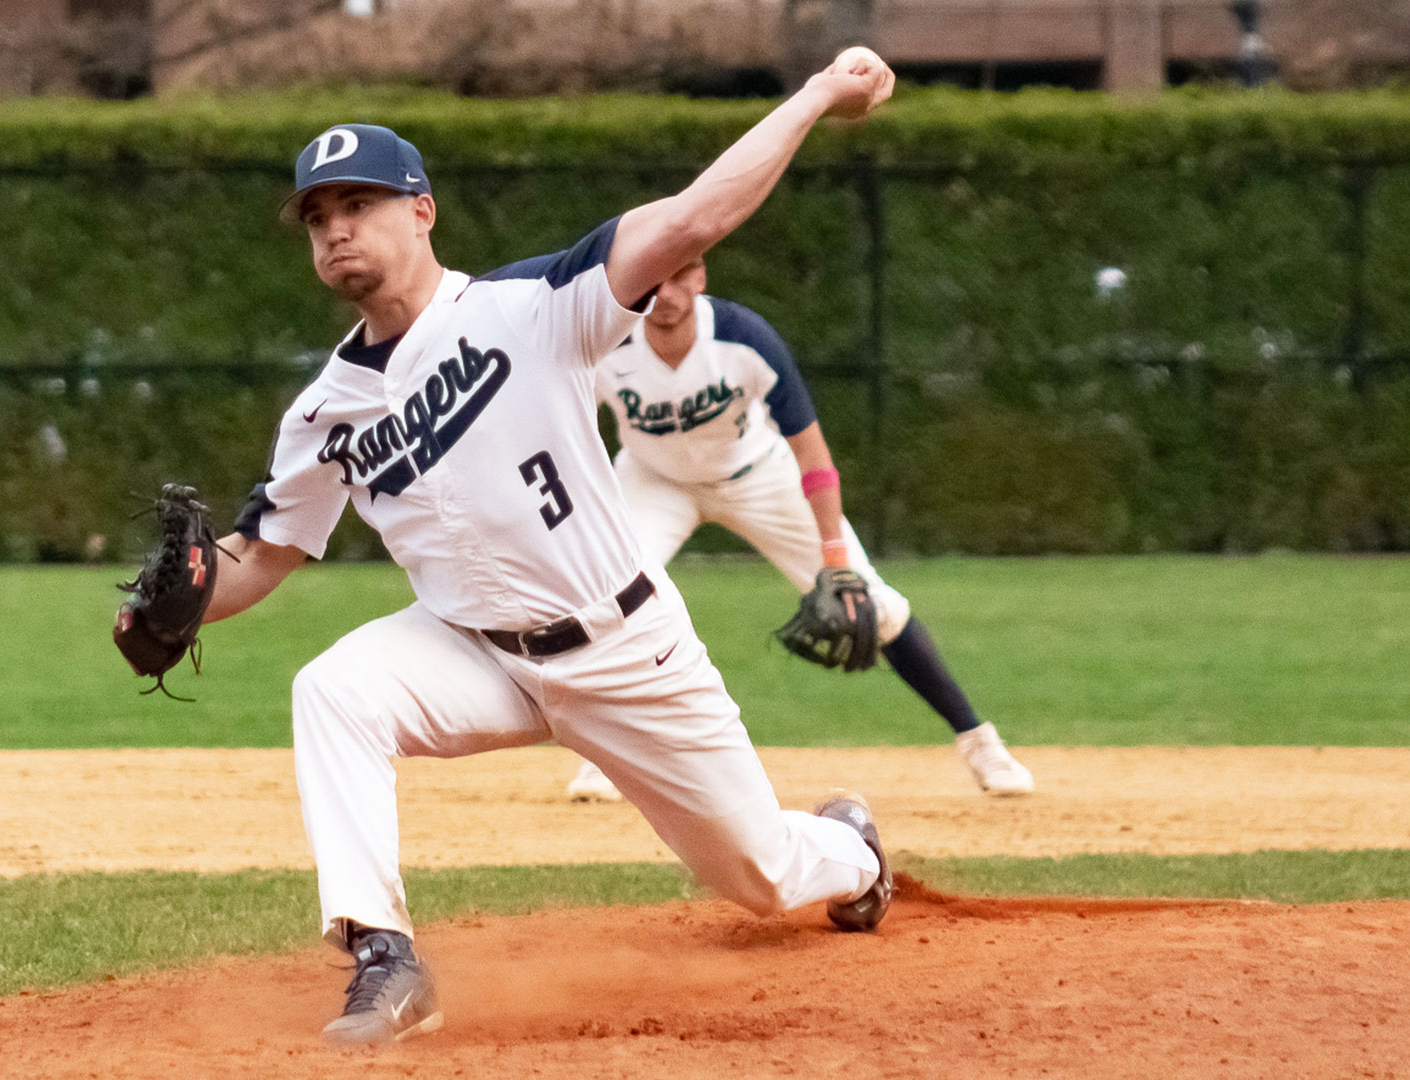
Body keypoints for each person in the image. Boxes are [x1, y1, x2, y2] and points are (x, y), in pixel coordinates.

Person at [201, 48, 898, 1047]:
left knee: (760, 875)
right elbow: (261, 555)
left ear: (422, 211)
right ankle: (384, 957)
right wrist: (170, 602)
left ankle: (852, 852)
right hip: (475, 653)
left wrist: (820, 94)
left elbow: (693, 218)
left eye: (358, 203)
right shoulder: (324, 412)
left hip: (625, 648)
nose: (336, 227)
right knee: (334, 690)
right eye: (318, 216)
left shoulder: (533, 306)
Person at [564, 260, 1034, 804]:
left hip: (757, 476)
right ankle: (603, 757)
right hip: (654, 480)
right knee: (607, 605)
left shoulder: (743, 338)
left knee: (871, 604)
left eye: (678, 276)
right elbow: (564, 431)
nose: (664, 293)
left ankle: (980, 742)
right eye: (653, 278)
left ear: (700, 278)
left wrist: (834, 554)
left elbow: (812, 454)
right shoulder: (607, 343)